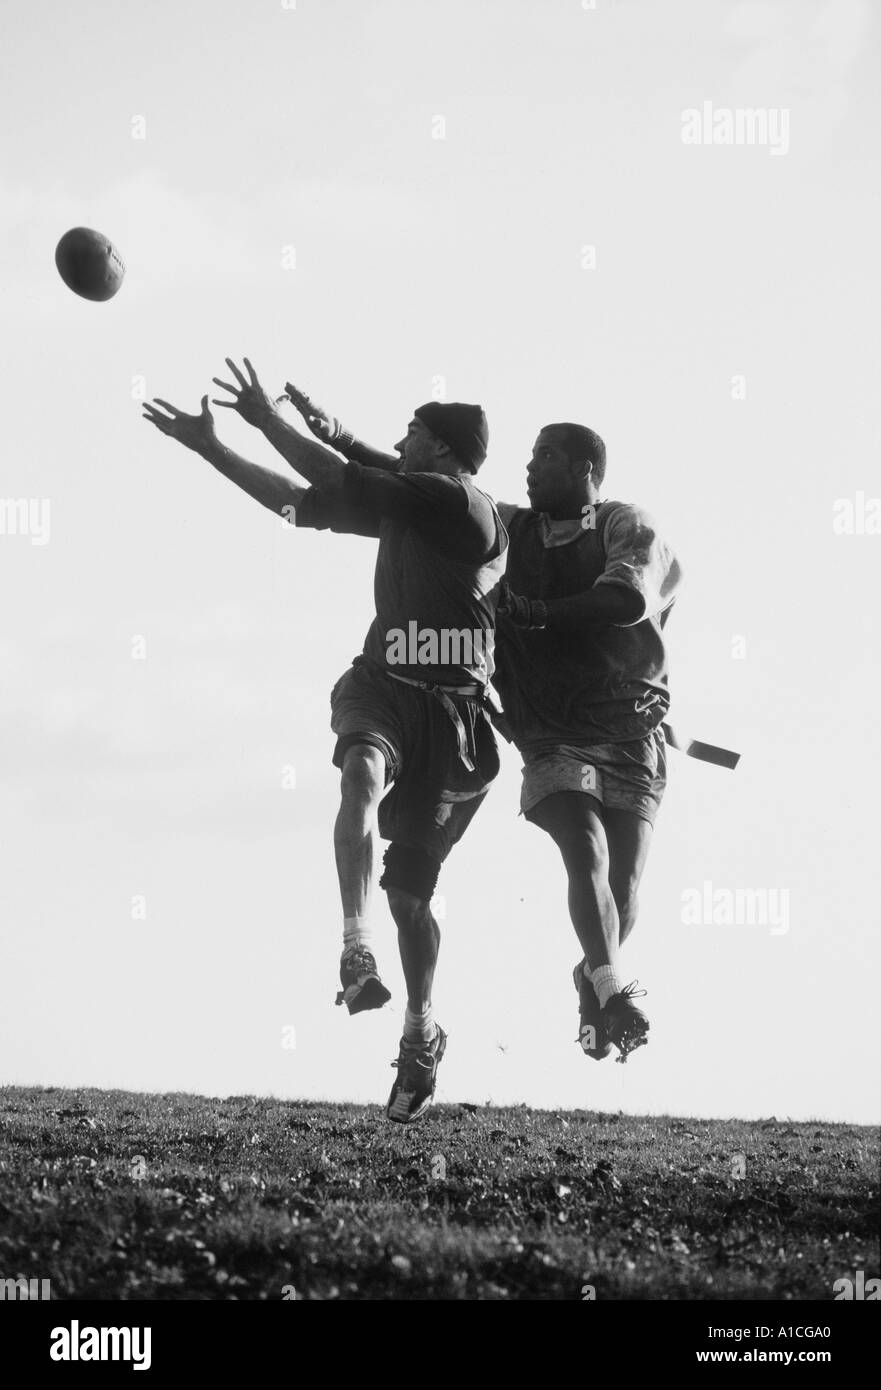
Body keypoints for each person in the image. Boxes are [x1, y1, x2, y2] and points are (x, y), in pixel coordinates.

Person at [143, 361, 507, 1121]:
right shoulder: (412, 507)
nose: (400, 439)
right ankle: (353, 947)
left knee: (411, 897)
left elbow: (335, 468)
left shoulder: (457, 506)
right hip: (383, 685)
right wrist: (213, 450)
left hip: (453, 718)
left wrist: (263, 419)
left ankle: (420, 1031)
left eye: (413, 430)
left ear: (441, 451)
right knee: (359, 775)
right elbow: (297, 503)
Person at [281, 390, 682, 1063]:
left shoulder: (625, 524)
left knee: (623, 893)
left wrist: (537, 614)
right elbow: (419, 493)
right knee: (582, 848)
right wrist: (346, 441)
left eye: (546, 457)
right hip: (547, 732)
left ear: (586, 471)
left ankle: (592, 974)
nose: (529, 467)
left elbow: (625, 599)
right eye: (527, 456)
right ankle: (614, 989)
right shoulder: (511, 527)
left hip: (630, 730)